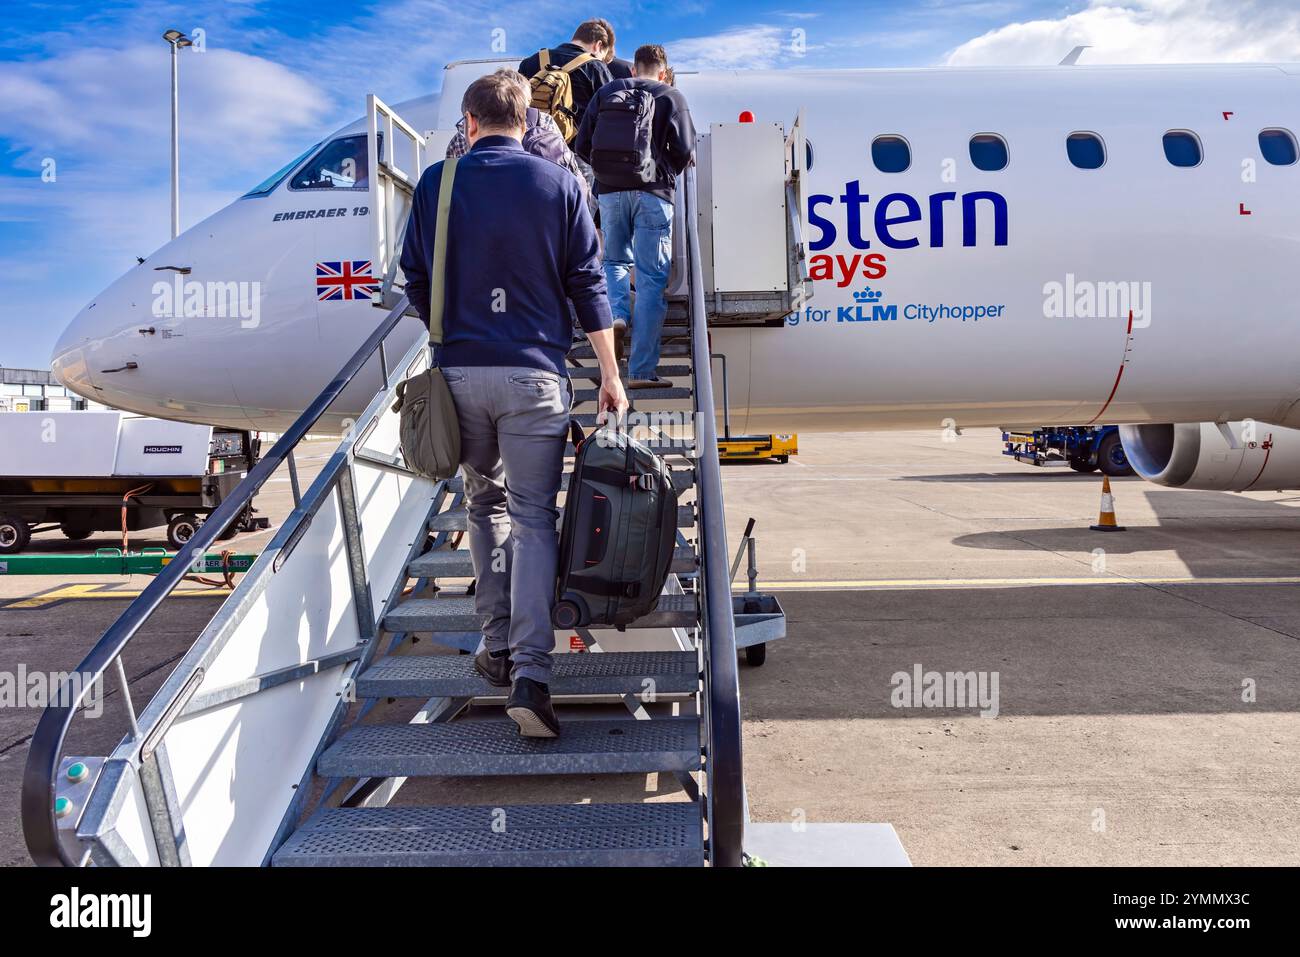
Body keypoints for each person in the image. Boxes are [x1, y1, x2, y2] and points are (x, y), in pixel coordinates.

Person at [399, 71, 628, 738]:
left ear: (469, 121)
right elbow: (589, 283)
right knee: (533, 517)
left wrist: (449, 326)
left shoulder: (439, 184)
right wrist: (610, 375)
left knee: (483, 505)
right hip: (536, 377)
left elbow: (413, 276)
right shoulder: (561, 184)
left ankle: (494, 644)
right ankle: (532, 674)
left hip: (460, 375)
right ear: (528, 122)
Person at [575, 44, 696, 388]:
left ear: (632, 70)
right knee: (649, 282)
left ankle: (616, 316)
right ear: (662, 71)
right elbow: (685, 150)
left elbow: (583, 144)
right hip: (654, 195)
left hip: (611, 194)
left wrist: (606, 174)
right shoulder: (671, 96)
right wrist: (664, 172)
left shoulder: (607, 92)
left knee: (613, 262)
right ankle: (641, 371)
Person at [444, 69, 588, 202]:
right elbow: (565, 163)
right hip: (542, 199)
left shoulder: (461, 136)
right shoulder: (544, 121)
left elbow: (450, 185)